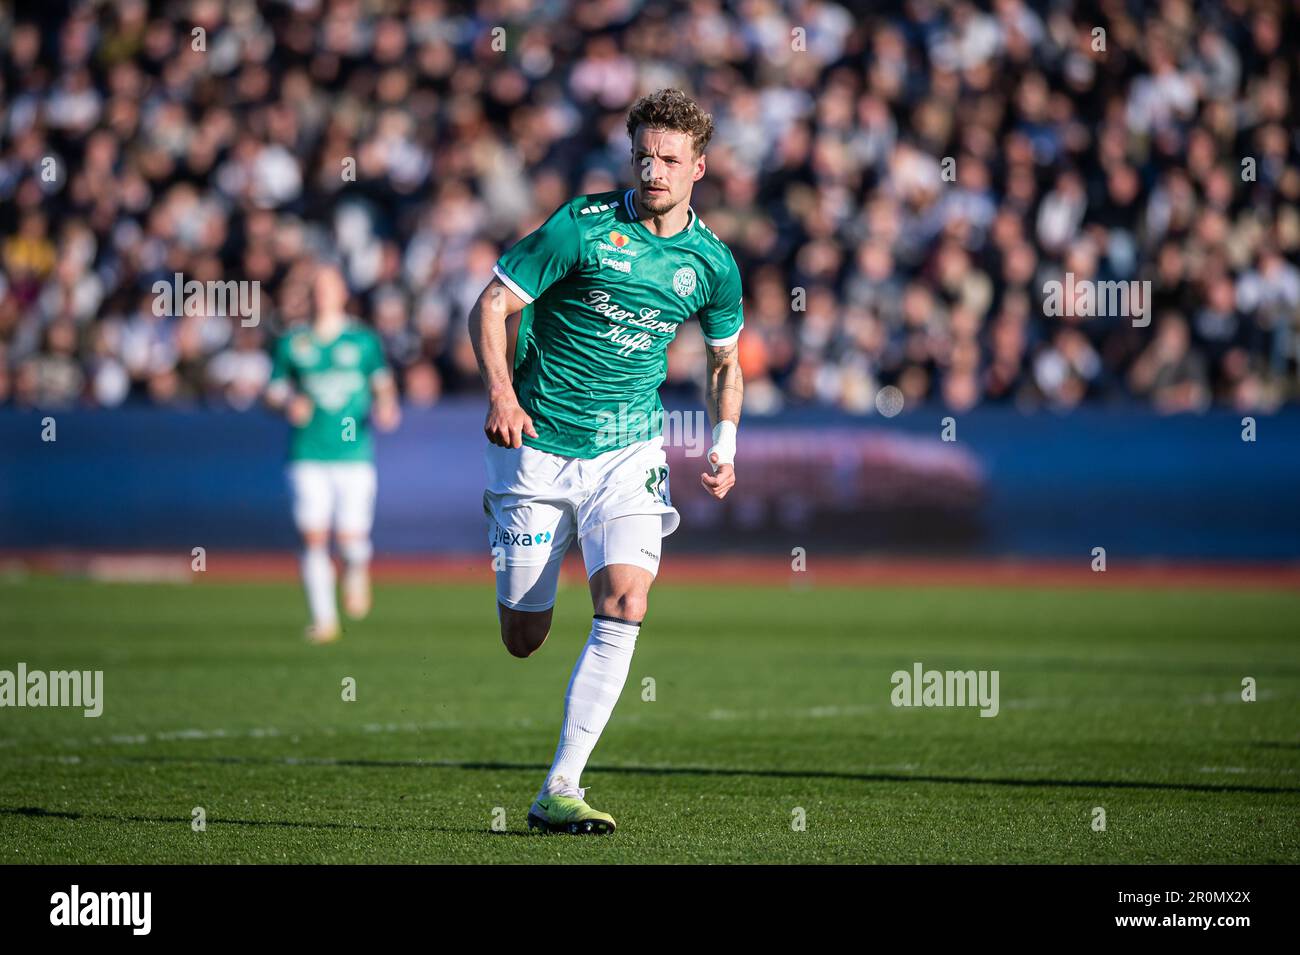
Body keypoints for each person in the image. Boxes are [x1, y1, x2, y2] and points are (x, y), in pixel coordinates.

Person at [467, 89, 745, 834]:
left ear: (699, 168)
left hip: (629, 449)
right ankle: (507, 523)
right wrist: (501, 393)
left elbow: (726, 363)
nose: (653, 169)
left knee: (626, 602)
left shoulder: (712, 264)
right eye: (643, 156)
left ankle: (560, 785)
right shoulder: (583, 227)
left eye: (669, 159)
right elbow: (491, 305)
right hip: (536, 444)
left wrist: (722, 443)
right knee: (522, 638)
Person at [266, 263, 401, 644]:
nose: (323, 294)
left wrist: (387, 406)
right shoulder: (293, 342)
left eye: (330, 286)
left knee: (351, 541)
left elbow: (383, 384)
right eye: (317, 287)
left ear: (343, 293)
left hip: (353, 453)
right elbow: (273, 390)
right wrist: (287, 402)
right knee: (312, 537)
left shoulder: (362, 341)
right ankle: (323, 619)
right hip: (307, 453)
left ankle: (357, 568)